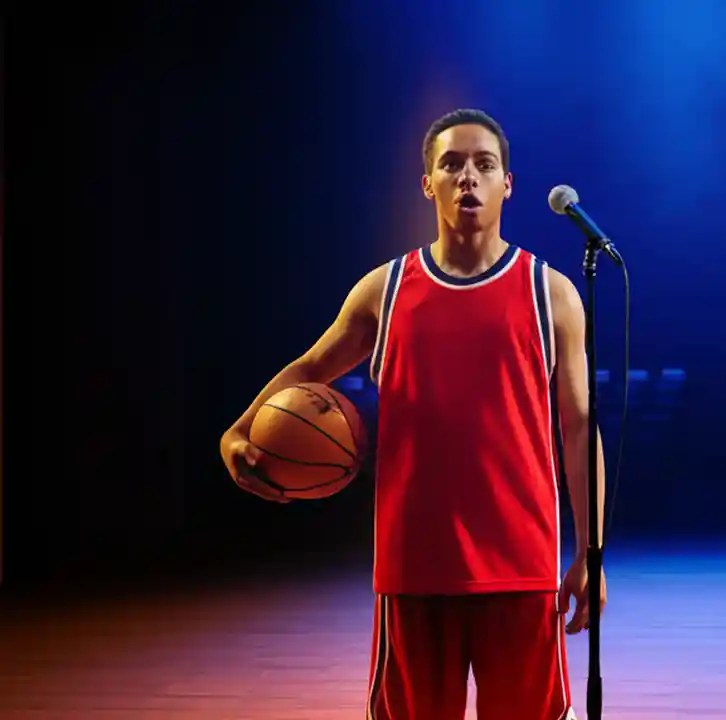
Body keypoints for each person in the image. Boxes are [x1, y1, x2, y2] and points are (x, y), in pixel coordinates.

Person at [219, 108, 606, 720]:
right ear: (428, 183)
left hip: (523, 570)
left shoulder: (550, 292)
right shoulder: (386, 290)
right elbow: (310, 367)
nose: (468, 178)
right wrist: (239, 431)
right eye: (451, 165)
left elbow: (579, 427)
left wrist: (591, 551)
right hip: (412, 569)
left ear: (509, 182)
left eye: (484, 164)